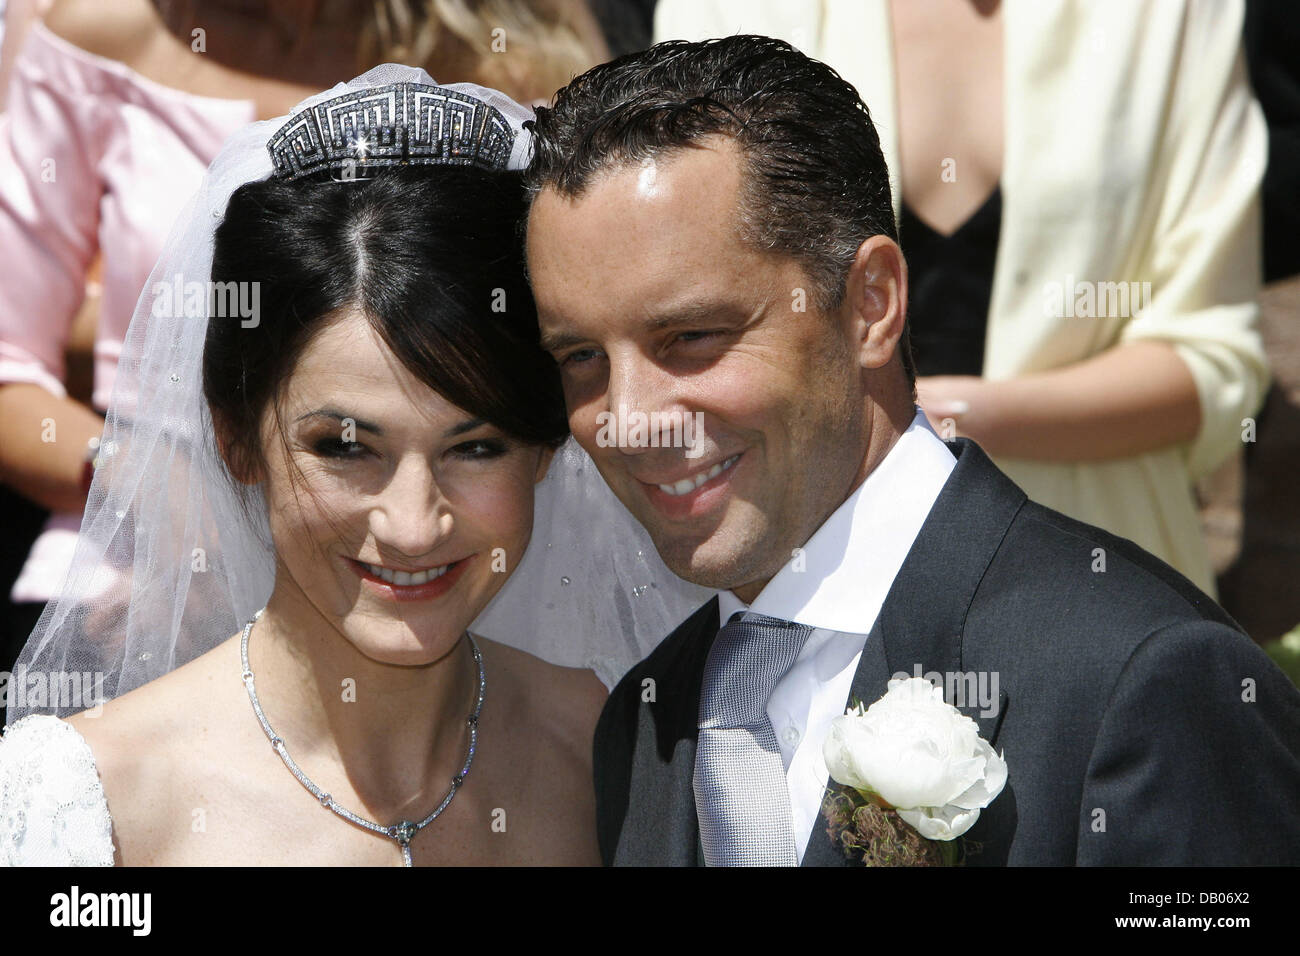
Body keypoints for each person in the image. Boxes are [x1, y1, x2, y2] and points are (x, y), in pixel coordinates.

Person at [521, 35, 1300, 865]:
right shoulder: (643, 723)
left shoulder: (1142, 684)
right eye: (581, 359)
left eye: (691, 337)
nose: (631, 420)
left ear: (871, 304)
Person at [0, 68, 706, 866]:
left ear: (547, 449)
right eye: (345, 448)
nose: (413, 525)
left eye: (476, 448)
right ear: (236, 438)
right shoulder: (88, 801)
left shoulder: (618, 748)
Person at [650, 0, 1269, 600]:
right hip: (792, 579)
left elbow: (1215, 360)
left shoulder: (1171, 13)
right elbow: (677, 303)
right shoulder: (724, 7)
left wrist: (947, 422)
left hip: (1096, 581)